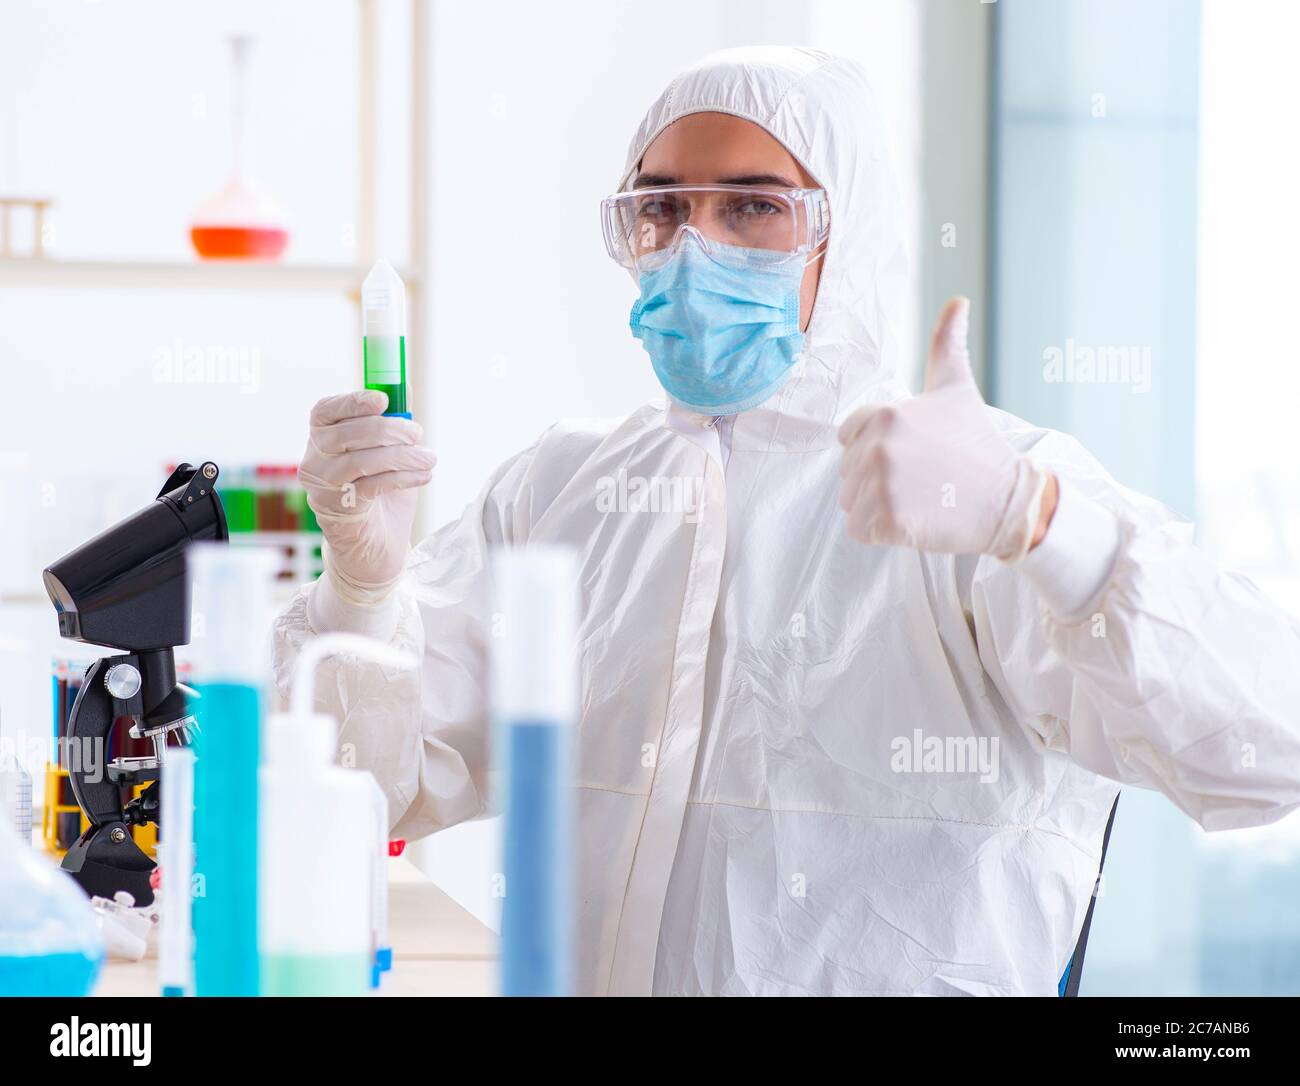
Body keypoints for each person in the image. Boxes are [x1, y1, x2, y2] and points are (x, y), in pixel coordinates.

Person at [275, 46, 1300, 996]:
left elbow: (1263, 753)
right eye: (660, 208)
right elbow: (369, 791)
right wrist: (362, 590)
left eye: (753, 208)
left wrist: (1042, 527)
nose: (691, 250)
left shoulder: (973, 498)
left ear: (843, 235)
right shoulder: (562, 491)